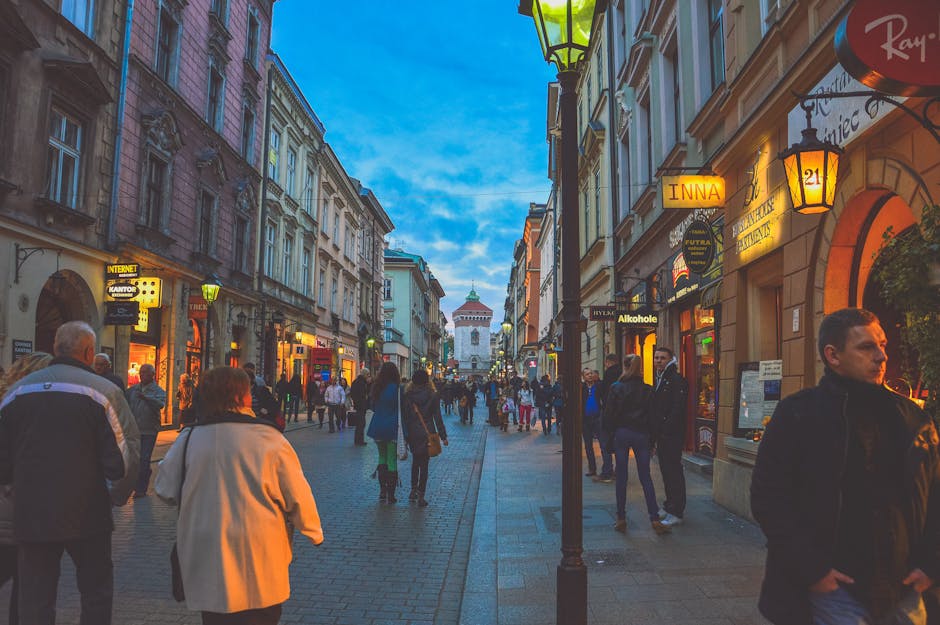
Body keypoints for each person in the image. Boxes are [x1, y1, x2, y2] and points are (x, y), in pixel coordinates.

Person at [751, 307, 940, 625]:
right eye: (867, 347)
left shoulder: (912, 418)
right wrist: (811, 568)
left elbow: (934, 493)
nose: (881, 356)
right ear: (833, 356)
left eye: (882, 345)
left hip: (905, 586)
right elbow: (768, 498)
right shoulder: (799, 415)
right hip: (835, 591)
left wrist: (932, 563)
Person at [154, 366, 323, 624]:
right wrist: (313, 530)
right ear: (240, 397)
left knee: (215, 616)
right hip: (259, 553)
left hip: (208, 551)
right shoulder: (268, 437)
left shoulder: (189, 438)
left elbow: (164, 489)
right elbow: (297, 493)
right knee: (261, 614)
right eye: (247, 391)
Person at [0, 321, 140, 625]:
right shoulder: (103, 392)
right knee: (95, 592)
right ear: (89, 352)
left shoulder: (17, 391)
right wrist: (116, 494)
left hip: (32, 512)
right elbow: (123, 458)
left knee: (35, 596)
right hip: (87, 512)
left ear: (55, 348)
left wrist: (12, 486)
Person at [0, 351, 54, 625]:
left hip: (15, 506)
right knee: (26, 586)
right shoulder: (30, 407)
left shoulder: (9, 399)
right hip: (20, 508)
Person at [602, 354, 669, 535]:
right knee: (645, 477)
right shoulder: (648, 390)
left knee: (621, 477)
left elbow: (608, 415)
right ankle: (654, 519)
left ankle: (621, 518)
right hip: (641, 434)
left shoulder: (616, 388)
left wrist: (610, 436)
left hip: (622, 433)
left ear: (624, 366)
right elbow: (654, 418)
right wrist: (652, 440)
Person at [651, 346, 688, 528]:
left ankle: (677, 510)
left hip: (671, 434)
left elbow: (677, 408)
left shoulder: (675, 379)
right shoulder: (662, 378)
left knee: (673, 471)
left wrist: (666, 429)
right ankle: (669, 504)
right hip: (664, 434)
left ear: (670, 359)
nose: (658, 361)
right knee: (666, 471)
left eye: (662, 358)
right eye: (656, 357)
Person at [401, 370, 448, 507]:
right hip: (428, 432)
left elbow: (405, 415)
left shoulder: (408, 395)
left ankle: (413, 490)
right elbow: (437, 417)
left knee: (415, 461)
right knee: (424, 465)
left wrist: (405, 434)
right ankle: (421, 495)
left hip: (413, 431)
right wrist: (443, 435)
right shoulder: (432, 395)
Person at [126, 363, 168, 498]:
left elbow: (160, 404)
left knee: (144, 459)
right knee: (135, 460)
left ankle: (141, 489)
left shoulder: (158, 391)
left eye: (145, 373)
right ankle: (136, 484)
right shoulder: (133, 390)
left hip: (149, 430)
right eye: (141, 372)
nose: (141, 375)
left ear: (152, 375)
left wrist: (146, 398)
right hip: (134, 430)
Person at [366, 363, 404, 504]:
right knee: (391, 460)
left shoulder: (377, 388)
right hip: (392, 427)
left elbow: (372, 406)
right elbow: (402, 408)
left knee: (381, 458)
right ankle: (391, 494)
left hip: (378, 426)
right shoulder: (398, 389)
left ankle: (382, 491)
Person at [583, 370, 613, 482]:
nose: (590, 375)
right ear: (583, 377)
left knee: (604, 444)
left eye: (591, 373)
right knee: (588, 445)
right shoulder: (582, 388)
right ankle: (592, 468)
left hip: (598, 418)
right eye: (587, 374)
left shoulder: (599, 386)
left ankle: (607, 469)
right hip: (586, 420)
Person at [349, 368, 372, 446]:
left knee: (360, 424)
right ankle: (359, 441)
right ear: (365, 374)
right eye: (368, 374)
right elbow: (364, 394)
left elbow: (352, 394)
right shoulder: (362, 383)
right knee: (361, 423)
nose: (369, 376)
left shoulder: (355, 382)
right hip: (361, 405)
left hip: (359, 405)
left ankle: (358, 440)